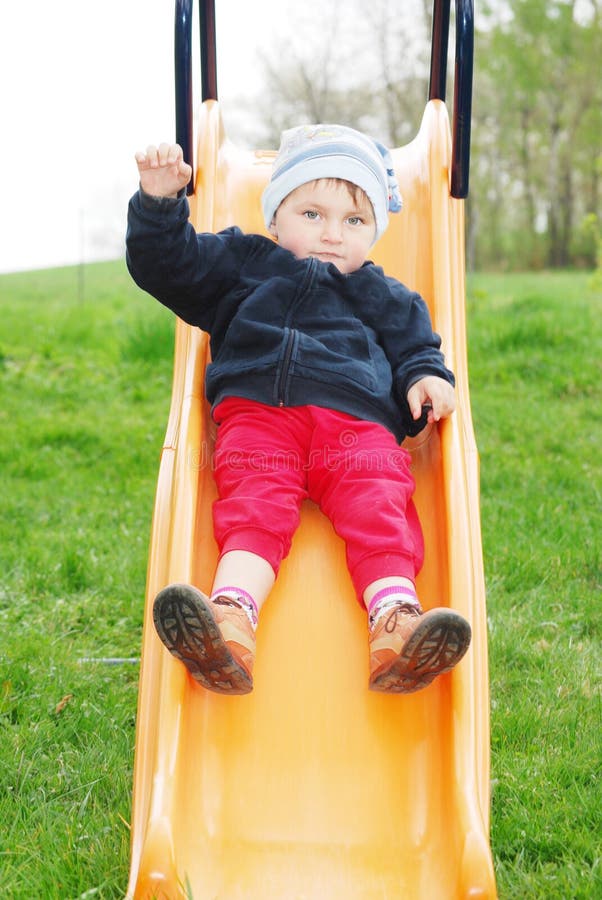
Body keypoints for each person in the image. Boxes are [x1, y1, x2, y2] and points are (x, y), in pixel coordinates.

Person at [126, 123, 471, 696]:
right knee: (252, 512)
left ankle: (396, 627)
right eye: (312, 214)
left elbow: (415, 343)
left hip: (356, 430)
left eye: (354, 221)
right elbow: (169, 267)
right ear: (275, 216)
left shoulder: (382, 294)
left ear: (373, 232)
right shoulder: (243, 264)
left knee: (380, 504)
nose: (332, 234)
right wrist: (160, 202)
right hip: (260, 418)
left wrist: (426, 376)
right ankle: (229, 624)